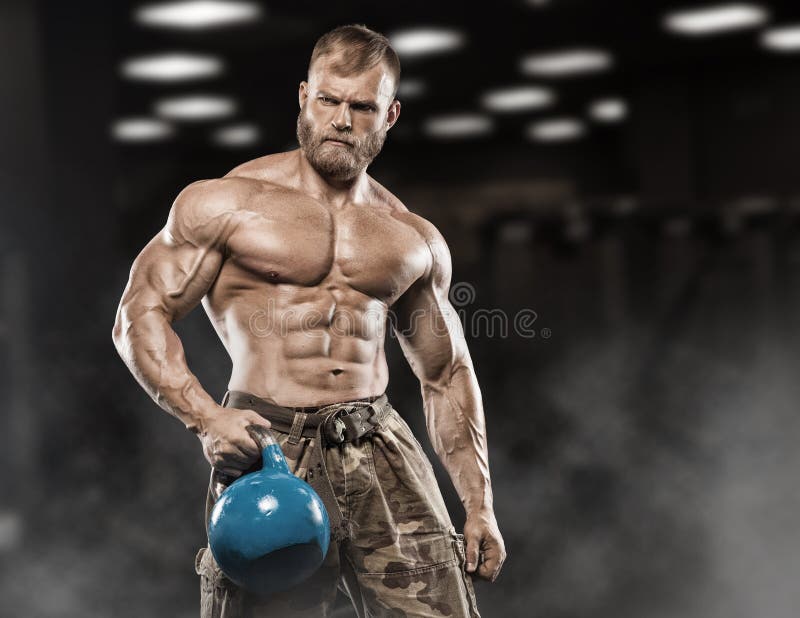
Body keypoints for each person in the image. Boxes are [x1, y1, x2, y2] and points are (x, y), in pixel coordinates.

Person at [112, 23, 505, 617]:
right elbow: (138, 313)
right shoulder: (227, 202)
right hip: (270, 447)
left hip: (381, 446)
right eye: (328, 101)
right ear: (304, 97)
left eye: (362, 107)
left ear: (390, 115)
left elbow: (445, 373)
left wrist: (479, 505)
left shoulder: (411, 237)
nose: (342, 120)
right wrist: (205, 417)